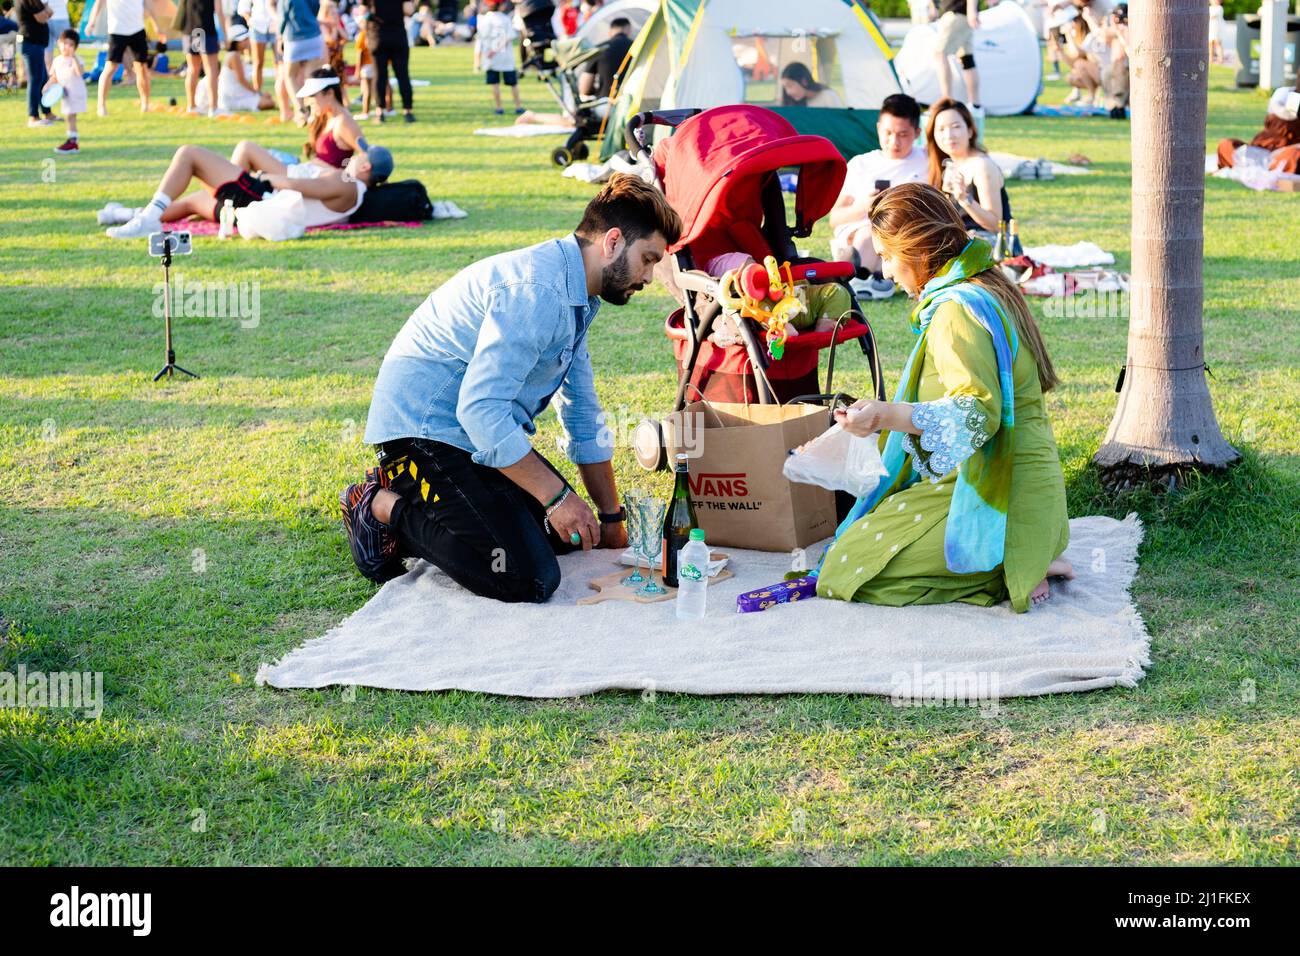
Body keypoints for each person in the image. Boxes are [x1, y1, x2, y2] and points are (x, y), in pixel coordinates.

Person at [342, 174, 683, 601]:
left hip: (471, 437)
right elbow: (480, 410)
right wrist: (558, 497)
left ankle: (451, 512)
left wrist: (611, 519)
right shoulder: (539, 290)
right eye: (648, 259)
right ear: (612, 242)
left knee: (575, 535)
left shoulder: (575, 291)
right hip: (423, 437)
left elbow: (580, 411)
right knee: (526, 575)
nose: (649, 277)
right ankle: (380, 504)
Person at [814, 182, 1073, 612]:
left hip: (1003, 495)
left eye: (888, 257)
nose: (884, 272)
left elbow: (977, 415)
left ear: (917, 250)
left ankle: (1014, 567)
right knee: (872, 529)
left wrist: (882, 417)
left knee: (845, 565)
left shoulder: (955, 312)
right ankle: (1031, 554)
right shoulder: (985, 283)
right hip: (1026, 494)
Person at [99, 141, 392, 236]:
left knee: (189, 154)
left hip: (261, 198)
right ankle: (128, 215)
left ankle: (147, 217)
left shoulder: (347, 184)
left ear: (366, 167)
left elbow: (298, 185)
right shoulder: (353, 190)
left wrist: (265, 177)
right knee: (193, 202)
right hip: (263, 205)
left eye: (359, 156)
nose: (353, 156)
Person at [829, 93, 928, 301]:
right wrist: (863, 206)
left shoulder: (927, 160)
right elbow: (834, 218)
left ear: (917, 133)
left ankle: (870, 280)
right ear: (878, 129)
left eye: (903, 134)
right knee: (870, 234)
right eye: (888, 133)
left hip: (907, 233)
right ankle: (866, 279)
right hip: (865, 232)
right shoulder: (861, 164)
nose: (894, 142)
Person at [230, 68, 366, 173]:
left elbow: (368, 158)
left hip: (314, 179)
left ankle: (224, 204)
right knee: (253, 159)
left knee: (246, 148)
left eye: (312, 95)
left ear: (330, 93)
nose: (308, 101)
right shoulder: (326, 117)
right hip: (307, 173)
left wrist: (341, 174)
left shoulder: (344, 122)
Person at [926, 97, 1007, 237]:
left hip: (989, 247)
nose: (949, 135)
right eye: (941, 129)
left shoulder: (982, 166)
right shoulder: (947, 165)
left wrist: (965, 200)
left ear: (970, 130)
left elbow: (995, 225)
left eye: (956, 127)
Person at [84, 0, 152, 115]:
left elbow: (148, 5)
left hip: (138, 29)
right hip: (117, 30)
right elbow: (99, 2)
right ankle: (101, 106)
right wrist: (91, 22)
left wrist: (155, 24)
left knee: (142, 67)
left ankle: (145, 104)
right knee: (111, 67)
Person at [1216, 78, 1300, 170]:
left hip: (1284, 153)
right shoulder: (1283, 94)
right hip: (1260, 148)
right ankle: (1248, 166)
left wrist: (1282, 152)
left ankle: (1270, 169)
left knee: (1294, 155)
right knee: (1226, 145)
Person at [928, 0, 983, 128]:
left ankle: (946, 99)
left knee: (940, 54)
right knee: (966, 58)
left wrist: (971, 10)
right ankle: (975, 105)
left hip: (957, 13)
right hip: (961, 14)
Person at [197, 27, 278, 111]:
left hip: (237, 94)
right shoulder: (234, 56)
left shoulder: (235, 55)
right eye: (245, 39)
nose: (248, 41)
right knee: (269, 102)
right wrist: (256, 92)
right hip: (233, 98)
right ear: (237, 42)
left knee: (268, 96)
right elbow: (241, 80)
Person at [363, 0, 415, 122]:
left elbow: (363, 13)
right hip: (397, 36)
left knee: (379, 76)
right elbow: (409, 10)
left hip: (377, 36)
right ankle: (408, 111)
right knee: (403, 75)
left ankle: (379, 112)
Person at [178, 0, 224, 116]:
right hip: (206, 29)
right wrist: (225, 34)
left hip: (190, 30)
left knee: (193, 69)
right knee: (212, 71)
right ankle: (213, 108)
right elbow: (219, 10)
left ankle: (191, 106)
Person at [278, 0, 322, 123]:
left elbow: (283, 17)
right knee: (311, 78)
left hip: (294, 37)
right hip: (314, 35)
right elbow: (316, 8)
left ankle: (301, 110)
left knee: (290, 76)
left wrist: (279, 35)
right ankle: (313, 111)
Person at [474, 0, 519, 115]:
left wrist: (477, 62)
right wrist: (497, 49)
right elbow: (509, 37)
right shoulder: (505, 19)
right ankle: (518, 106)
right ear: (501, 5)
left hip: (490, 58)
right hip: (506, 57)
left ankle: (499, 108)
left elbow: (480, 41)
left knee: (495, 84)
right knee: (513, 84)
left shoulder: (484, 20)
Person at [44, 26, 84, 152]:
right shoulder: (57, 60)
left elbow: (79, 72)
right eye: (64, 43)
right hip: (65, 94)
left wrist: (74, 57)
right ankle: (72, 140)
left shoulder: (75, 60)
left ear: (75, 47)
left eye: (71, 44)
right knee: (68, 116)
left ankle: (72, 142)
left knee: (71, 116)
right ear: (58, 43)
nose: (67, 47)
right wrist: (47, 86)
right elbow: (54, 77)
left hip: (75, 92)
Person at [17, 0, 55, 127]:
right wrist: (45, 9)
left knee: (43, 79)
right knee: (35, 80)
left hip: (37, 45)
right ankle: (33, 116)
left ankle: (47, 113)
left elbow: (50, 12)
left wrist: (45, 10)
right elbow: (42, 17)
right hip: (31, 43)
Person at [577, 14, 631, 102]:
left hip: (605, 103)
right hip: (633, 103)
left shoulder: (599, 48)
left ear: (610, 32)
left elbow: (584, 88)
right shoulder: (639, 48)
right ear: (628, 30)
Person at [239, 0, 275, 89]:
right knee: (258, 62)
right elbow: (243, 7)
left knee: (279, 63)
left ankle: (282, 96)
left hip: (275, 25)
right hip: (257, 26)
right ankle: (257, 94)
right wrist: (249, 19)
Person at [778, 62, 843, 108]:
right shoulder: (795, 102)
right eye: (785, 88)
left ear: (804, 81)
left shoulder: (828, 96)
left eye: (790, 86)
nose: (788, 92)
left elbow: (840, 122)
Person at [40, 0, 66, 68]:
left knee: (48, 49)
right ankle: (65, 74)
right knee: (66, 47)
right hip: (61, 16)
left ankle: (50, 75)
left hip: (46, 17)